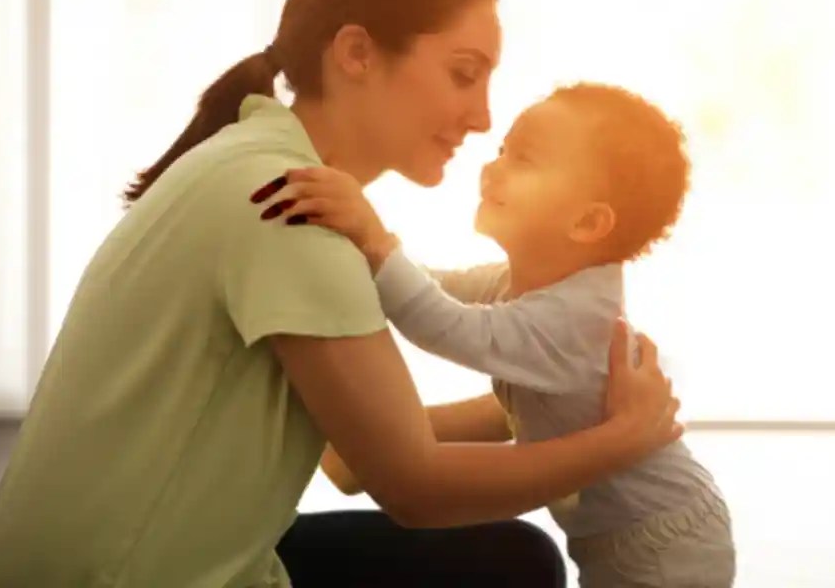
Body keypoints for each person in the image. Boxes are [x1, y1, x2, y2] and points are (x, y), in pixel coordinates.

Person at [0, 0, 681, 588]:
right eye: (464, 72)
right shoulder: (287, 206)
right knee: (512, 566)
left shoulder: (259, 162)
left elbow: (350, 460)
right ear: (358, 52)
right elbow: (415, 487)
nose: (484, 115)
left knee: (510, 553)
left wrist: (557, 398)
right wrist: (623, 438)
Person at [253, 83, 736, 587]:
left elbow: (445, 324)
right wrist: (356, 249)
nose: (492, 167)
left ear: (588, 222)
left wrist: (374, 239)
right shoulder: (530, 281)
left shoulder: (571, 320)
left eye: (523, 160)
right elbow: (436, 288)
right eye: (504, 150)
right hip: (624, 533)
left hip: (662, 540)